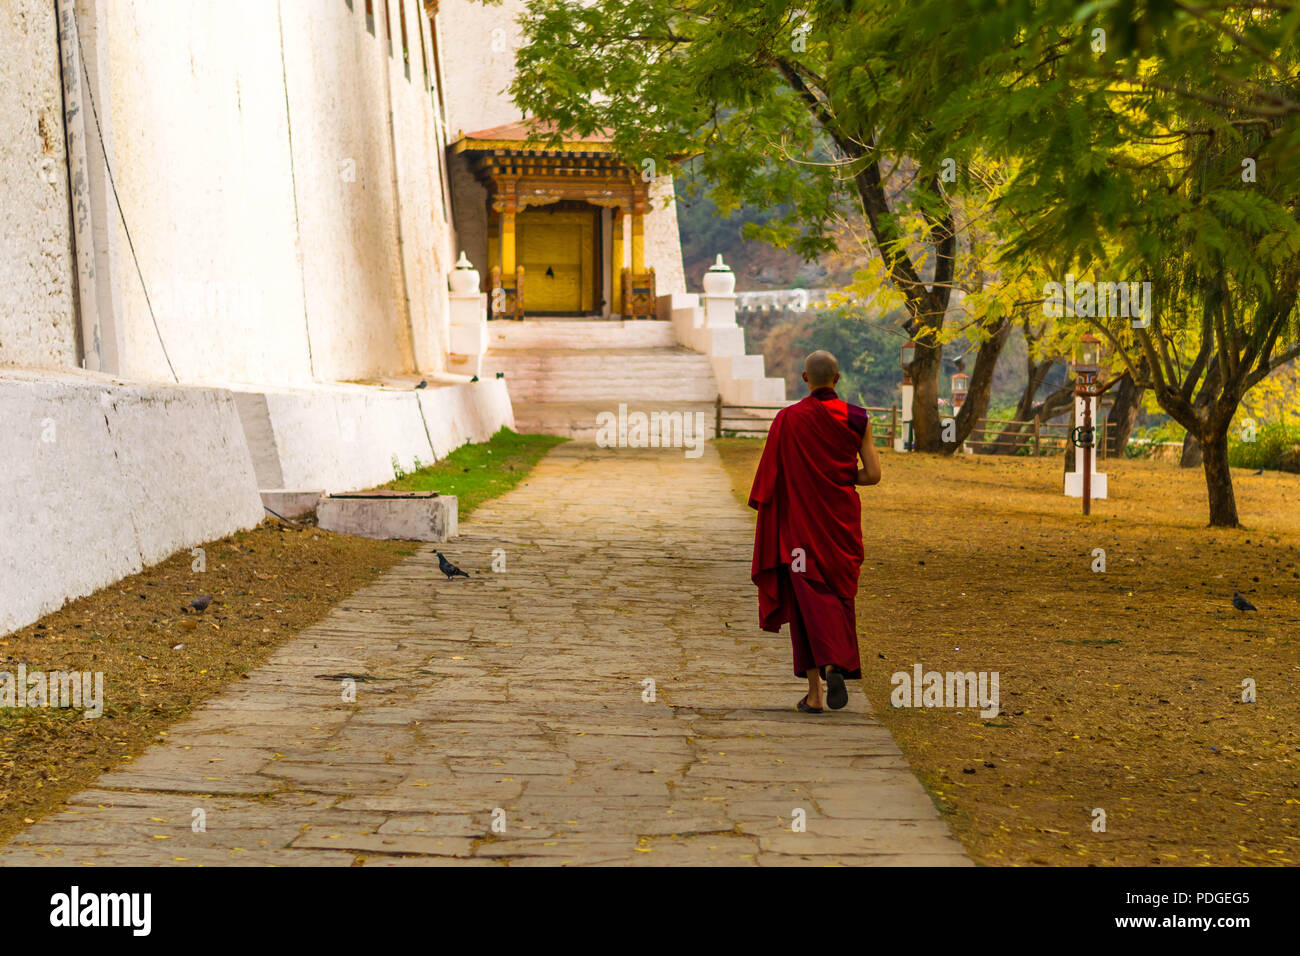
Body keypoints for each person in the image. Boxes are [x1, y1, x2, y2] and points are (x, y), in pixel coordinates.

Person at [748, 350, 882, 713]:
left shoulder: (787, 419)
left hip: (800, 531)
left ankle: (814, 694)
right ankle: (837, 663)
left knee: (805, 604)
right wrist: (837, 477)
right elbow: (872, 475)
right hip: (841, 527)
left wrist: (810, 478)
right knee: (839, 598)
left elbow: (770, 481)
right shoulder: (858, 418)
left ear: (805, 379)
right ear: (837, 380)